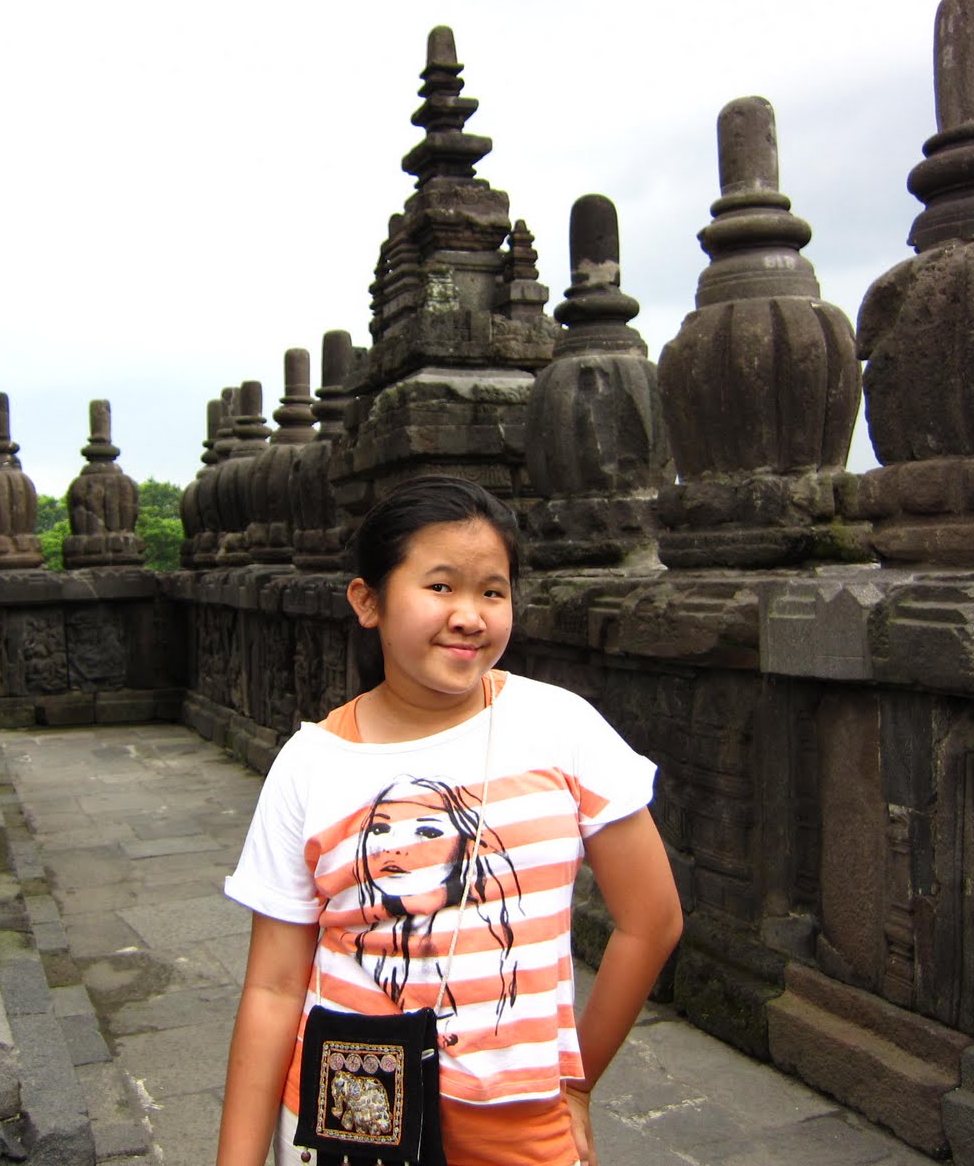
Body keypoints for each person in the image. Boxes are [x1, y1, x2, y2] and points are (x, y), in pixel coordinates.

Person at [218, 475, 683, 1166]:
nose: (470, 615)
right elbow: (274, 985)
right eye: (440, 587)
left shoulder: (559, 727)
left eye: (492, 592)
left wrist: (577, 1082)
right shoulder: (312, 763)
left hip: (523, 1120)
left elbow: (652, 920)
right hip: (353, 1108)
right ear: (367, 601)